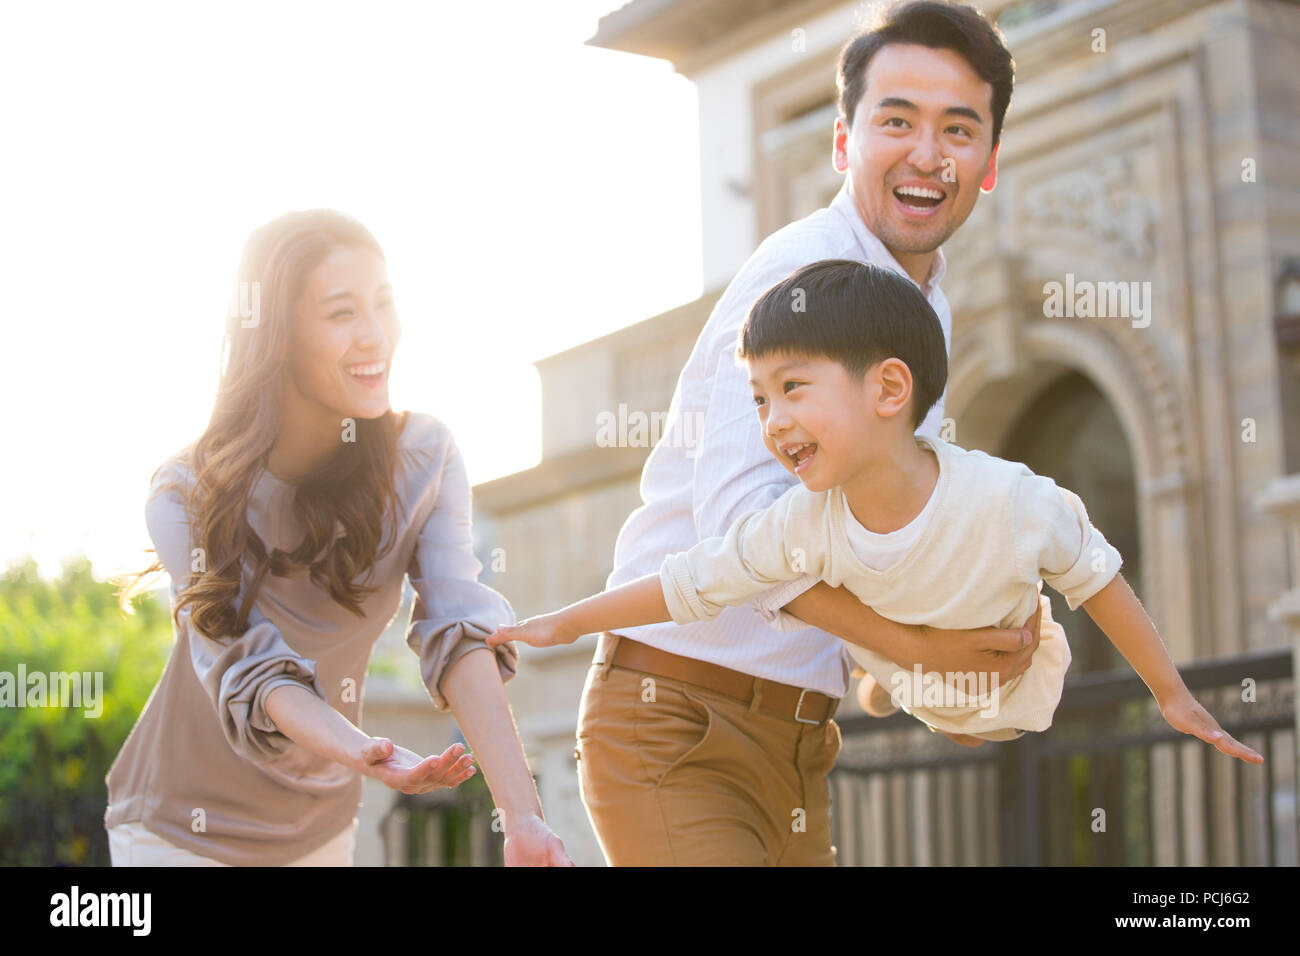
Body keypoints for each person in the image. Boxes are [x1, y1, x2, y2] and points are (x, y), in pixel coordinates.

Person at [552, 0, 1037, 866]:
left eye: (958, 129)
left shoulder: (927, 305)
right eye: (898, 121)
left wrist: (927, 681)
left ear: (990, 160)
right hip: (678, 722)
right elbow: (742, 527)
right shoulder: (803, 277)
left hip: (799, 743)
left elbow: (857, 520)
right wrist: (913, 646)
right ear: (845, 142)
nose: (928, 154)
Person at [489, 259, 1264, 770]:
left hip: (1002, 674)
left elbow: (1099, 580)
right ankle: (882, 679)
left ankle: (885, 679)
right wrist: (567, 621)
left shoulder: (1010, 499)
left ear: (890, 391)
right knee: (916, 690)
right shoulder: (800, 522)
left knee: (965, 717)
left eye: (793, 388)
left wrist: (1170, 692)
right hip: (919, 668)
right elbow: (691, 582)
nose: (773, 421)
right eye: (760, 399)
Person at [108, 209, 572, 866]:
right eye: (341, 313)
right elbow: (253, 671)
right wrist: (362, 750)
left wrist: (522, 816)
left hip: (318, 825)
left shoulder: (423, 458)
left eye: (383, 304)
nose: (375, 335)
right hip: (177, 827)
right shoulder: (186, 492)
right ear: (280, 336)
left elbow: (460, 629)